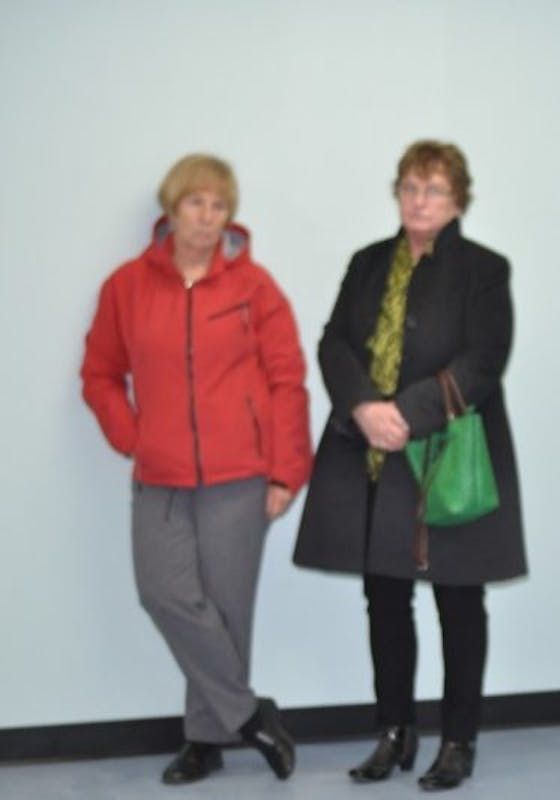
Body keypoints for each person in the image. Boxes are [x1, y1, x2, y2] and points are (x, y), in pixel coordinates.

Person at [293, 140, 525, 791]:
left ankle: (458, 740)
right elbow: (334, 343)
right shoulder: (368, 263)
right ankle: (394, 731)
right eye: (410, 188)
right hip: (371, 453)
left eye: (434, 191)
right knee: (384, 599)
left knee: (459, 600)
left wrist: (407, 413)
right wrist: (367, 408)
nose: (420, 201)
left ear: (458, 201)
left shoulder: (485, 268)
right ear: (397, 193)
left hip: (448, 452)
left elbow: (487, 358)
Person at [80, 153, 312, 785]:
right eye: (196, 204)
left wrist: (287, 471)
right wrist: (133, 436)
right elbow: (99, 375)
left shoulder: (254, 288)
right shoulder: (126, 287)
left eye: (219, 207)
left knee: (226, 609)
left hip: (240, 474)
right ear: (172, 208)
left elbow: (288, 380)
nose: (208, 218)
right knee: (163, 592)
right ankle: (249, 714)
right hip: (160, 473)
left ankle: (204, 739)